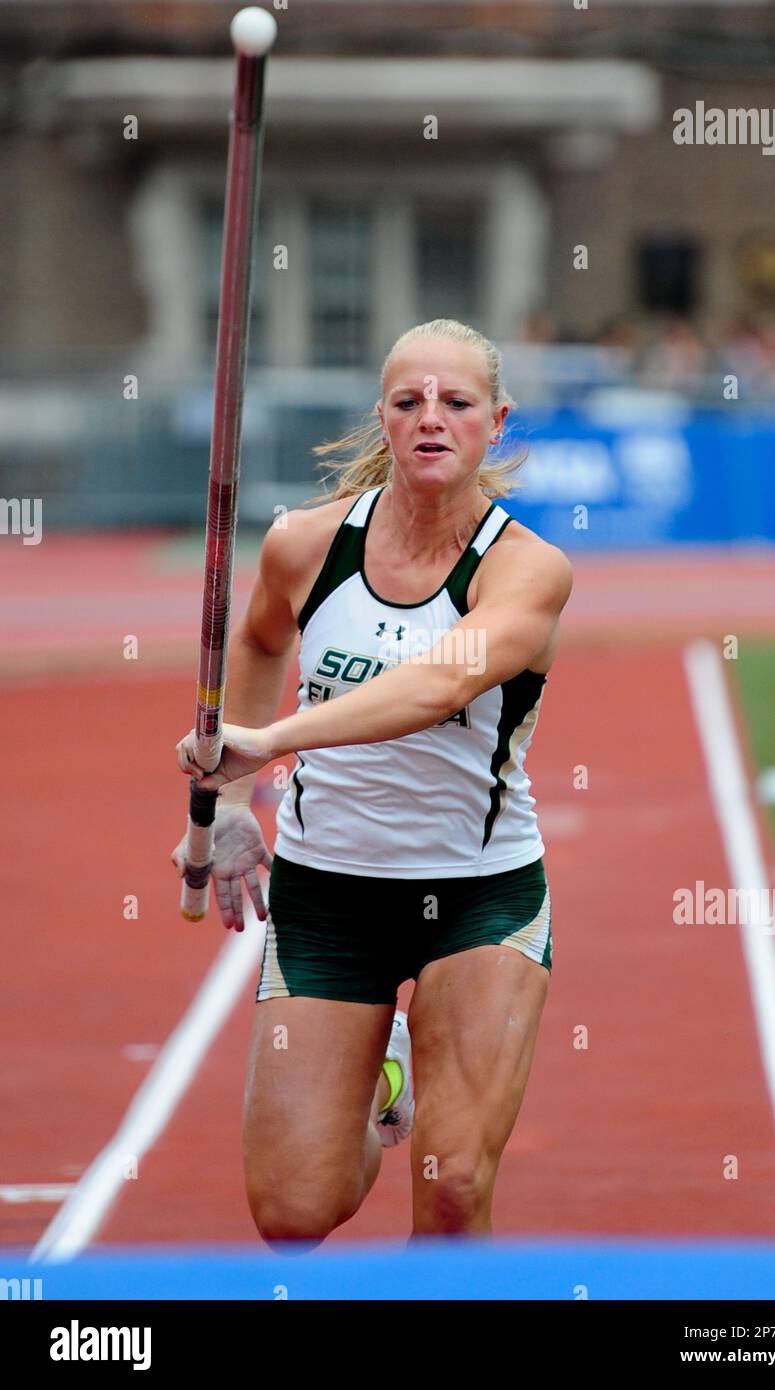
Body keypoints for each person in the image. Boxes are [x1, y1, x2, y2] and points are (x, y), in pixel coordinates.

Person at [173, 317, 573, 1245]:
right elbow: (265, 636)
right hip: (327, 894)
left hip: (480, 897)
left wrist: (264, 741)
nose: (431, 417)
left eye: (457, 402)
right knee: (291, 1212)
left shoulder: (527, 571)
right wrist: (233, 800)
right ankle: (382, 1081)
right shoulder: (304, 546)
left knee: (452, 1183)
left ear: (495, 423)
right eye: (408, 401)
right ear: (383, 419)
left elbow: (434, 686)